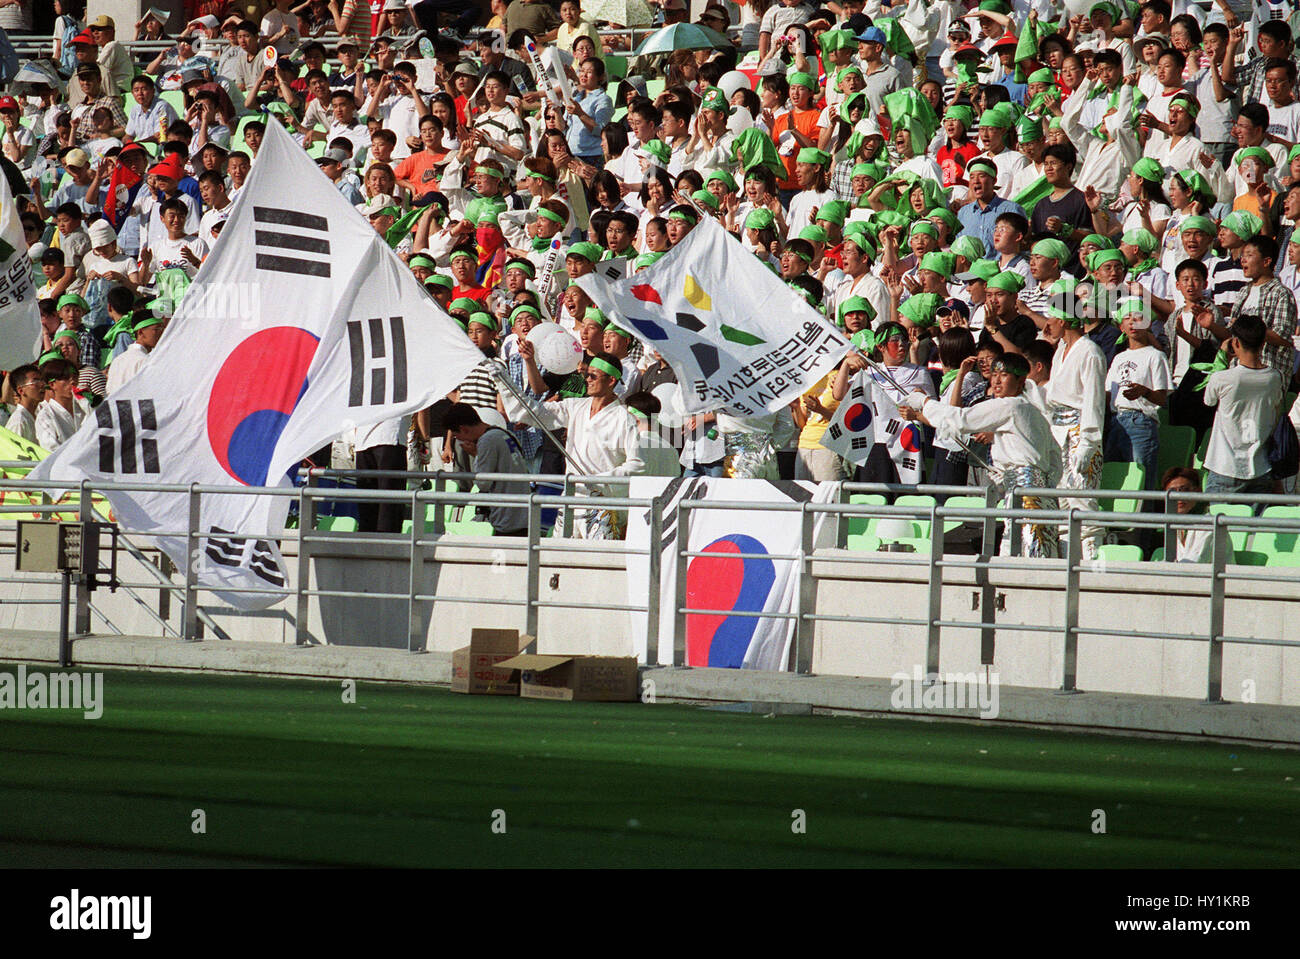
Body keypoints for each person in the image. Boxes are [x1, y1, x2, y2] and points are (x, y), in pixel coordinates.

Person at [899, 353, 1060, 557]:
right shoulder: (1034, 412)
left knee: (1024, 559)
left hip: (1025, 499)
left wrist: (924, 401)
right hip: (1039, 497)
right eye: (994, 374)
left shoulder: (1009, 405)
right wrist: (1009, 474)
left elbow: (961, 419)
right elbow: (1055, 460)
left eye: (1004, 375)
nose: (996, 381)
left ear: (1020, 381)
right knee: (1035, 557)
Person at [504, 343, 644, 538]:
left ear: (611, 380)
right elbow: (534, 412)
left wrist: (600, 480)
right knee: (559, 560)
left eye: (593, 376)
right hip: (570, 499)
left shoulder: (623, 418)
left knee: (597, 563)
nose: (587, 380)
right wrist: (503, 384)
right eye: (587, 374)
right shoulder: (575, 406)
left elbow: (638, 465)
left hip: (602, 504)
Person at [1199, 314, 1285, 498]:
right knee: (1254, 525)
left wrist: (1222, 357)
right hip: (1261, 466)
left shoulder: (1222, 378)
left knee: (1219, 524)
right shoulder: (1275, 377)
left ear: (1235, 342)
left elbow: (1208, 401)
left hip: (1225, 466)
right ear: (1263, 343)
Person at [444, 402, 532, 535]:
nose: (459, 440)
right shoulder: (505, 433)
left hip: (506, 519)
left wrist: (476, 455)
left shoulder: (487, 441)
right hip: (523, 515)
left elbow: (483, 483)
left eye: (457, 436)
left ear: (464, 429)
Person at [3, 363, 41, 442]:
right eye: (36, 382)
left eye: (42, 380)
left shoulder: (39, 415)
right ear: (21, 390)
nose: (42, 384)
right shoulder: (19, 421)